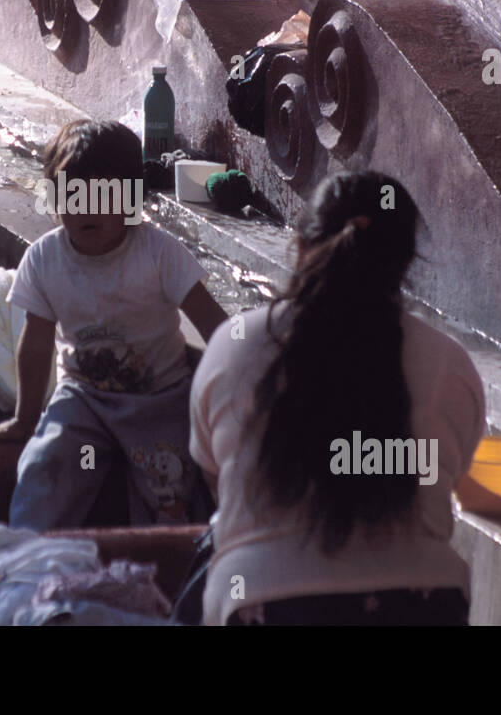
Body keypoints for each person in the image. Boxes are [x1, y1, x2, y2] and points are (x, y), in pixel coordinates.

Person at [189, 171, 486, 626]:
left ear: (302, 248)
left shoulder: (234, 345)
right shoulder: (450, 364)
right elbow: (448, 479)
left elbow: (216, 481)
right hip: (424, 604)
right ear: (405, 262)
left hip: (262, 602)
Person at [0, 119, 228, 529]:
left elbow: (217, 327)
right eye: (71, 195)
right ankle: (26, 552)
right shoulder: (44, 258)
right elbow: (35, 344)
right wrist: (25, 418)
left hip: (160, 396)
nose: (85, 208)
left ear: (131, 200)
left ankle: (167, 567)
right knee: (44, 464)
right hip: (83, 397)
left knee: (173, 488)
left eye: (103, 195)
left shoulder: (159, 253)